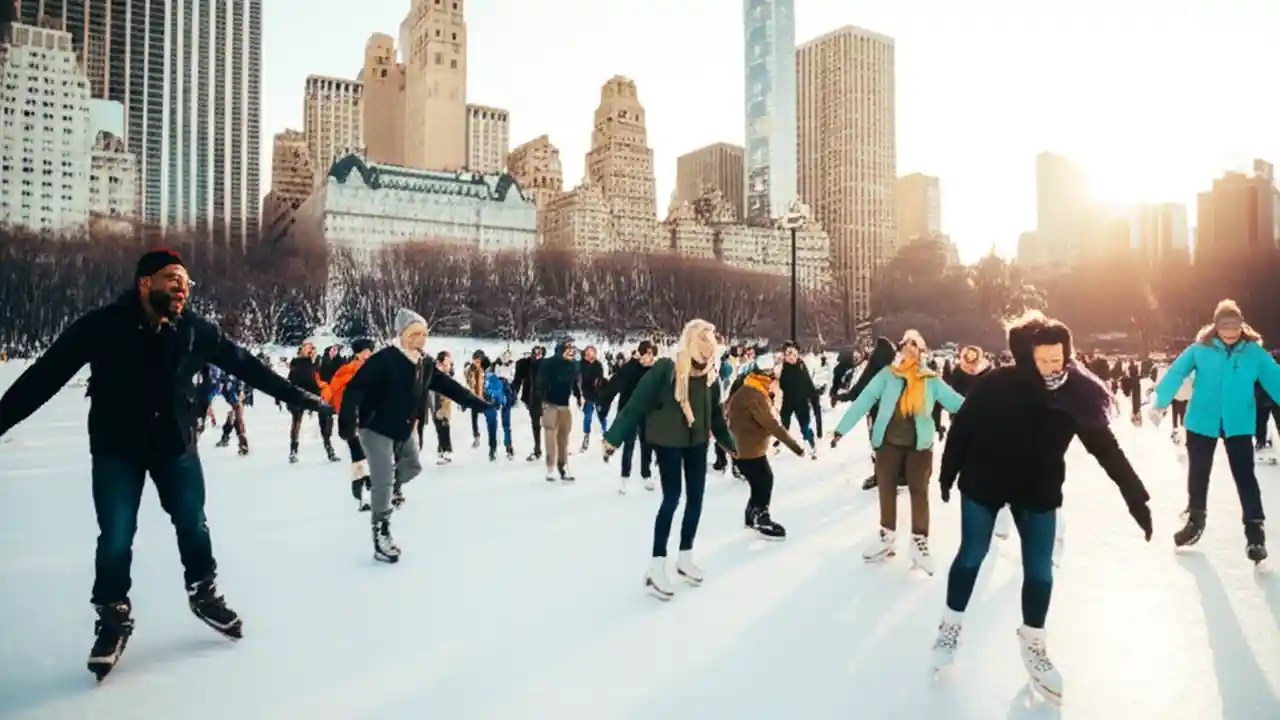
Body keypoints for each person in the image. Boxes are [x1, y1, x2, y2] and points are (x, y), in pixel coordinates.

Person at [0, 249, 332, 680]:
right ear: (145, 283)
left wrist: (301, 398)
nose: (182, 288)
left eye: (186, 282)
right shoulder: (103, 326)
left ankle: (203, 593)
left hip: (175, 448)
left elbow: (247, 366)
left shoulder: (194, 331)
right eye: (173, 278)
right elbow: (43, 377)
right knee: (117, 535)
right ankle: (114, 615)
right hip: (117, 448)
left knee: (193, 522)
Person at [933, 311, 1152, 705]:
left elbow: (1105, 449)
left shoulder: (1075, 393)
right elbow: (962, 427)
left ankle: (1033, 642)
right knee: (971, 554)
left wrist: (1135, 495)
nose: (1053, 367)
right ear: (1029, 356)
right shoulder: (995, 384)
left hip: (1037, 488)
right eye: (1044, 359)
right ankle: (950, 626)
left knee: (1040, 570)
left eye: (1059, 358)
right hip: (985, 482)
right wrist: (947, 475)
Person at [337, 309, 488, 563]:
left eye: (424, 334)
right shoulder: (384, 359)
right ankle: (381, 531)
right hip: (375, 427)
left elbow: (446, 385)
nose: (420, 339)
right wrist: (347, 420)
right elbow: (355, 389)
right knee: (383, 479)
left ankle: (383, 489)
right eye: (414, 334)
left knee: (413, 467)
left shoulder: (425, 362)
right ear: (402, 335)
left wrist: (476, 402)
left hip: (402, 428)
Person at [603, 319, 736, 601]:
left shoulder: (710, 376)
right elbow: (636, 404)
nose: (708, 349)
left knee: (696, 498)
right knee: (672, 498)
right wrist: (614, 438)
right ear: (689, 341)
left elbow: (715, 418)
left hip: (697, 443)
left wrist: (730, 444)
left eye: (711, 343)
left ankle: (685, 557)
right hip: (668, 442)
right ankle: (656, 566)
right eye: (703, 342)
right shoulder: (667, 369)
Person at [1150, 299, 1280, 566]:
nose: (1231, 334)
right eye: (1225, 327)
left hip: (1239, 423)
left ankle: (1255, 532)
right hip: (1201, 421)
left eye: (1235, 327)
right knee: (1198, 472)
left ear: (1242, 325)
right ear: (1216, 326)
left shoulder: (1254, 353)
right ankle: (1195, 521)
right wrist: (1160, 402)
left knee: (1245, 476)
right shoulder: (1200, 350)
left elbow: (1276, 380)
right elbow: (1175, 374)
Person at [831, 330, 963, 573]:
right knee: (886, 488)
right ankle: (886, 536)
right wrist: (840, 430)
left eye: (916, 346)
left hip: (919, 446)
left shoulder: (930, 380)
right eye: (906, 345)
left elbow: (957, 403)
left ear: (922, 353)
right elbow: (864, 401)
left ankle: (919, 542)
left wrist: (988, 409)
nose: (909, 349)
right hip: (888, 443)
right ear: (899, 349)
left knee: (919, 492)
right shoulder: (887, 376)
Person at [726, 355, 804, 539]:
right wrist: (796, 447)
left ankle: (751, 514)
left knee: (759, 482)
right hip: (748, 450)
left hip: (745, 448)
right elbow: (772, 425)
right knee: (765, 480)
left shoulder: (749, 390)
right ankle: (761, 517)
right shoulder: (755, 396)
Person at [598, 340, 658, 493]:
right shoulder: (629, 368)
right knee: (629, 445)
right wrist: (604, 403)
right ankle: (624, 477)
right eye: (648, 354)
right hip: (629, 412)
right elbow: (614, 386)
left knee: (647, 443)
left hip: (647, 412)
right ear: (640, 354)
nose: (650, 358)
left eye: (652, 354)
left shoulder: (654, 370)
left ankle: (646, 474)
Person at [323, 338, 376, 511]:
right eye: (367, 351)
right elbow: (336, 392)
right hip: (352, 418)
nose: (369, 354)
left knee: (365, 455)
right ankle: (363, 488)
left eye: (371, 351)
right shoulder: (347, 370)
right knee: (360, 454)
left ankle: (361, 486)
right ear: (358, 353)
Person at [538, 339, 581, 482]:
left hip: (564, 405)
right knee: (550, 435)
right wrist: (541, 401)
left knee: (563, 438)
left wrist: (578, 396)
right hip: (550, 404)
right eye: (569, 349)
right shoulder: (549, 364)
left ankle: (563, 466)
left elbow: (574, 383)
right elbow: (541, 382)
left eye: (572, 350)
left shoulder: (572, 366)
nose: (572, 352)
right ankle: (550, 467)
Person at [288, 341, 337, 463]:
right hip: (299, 394)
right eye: (307, 347)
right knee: (296, 421)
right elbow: (294, 378)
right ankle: (293, 451)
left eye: (312, 347)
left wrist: (316, 362)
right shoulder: (296, 363)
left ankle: (329, 448)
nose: (310, 349)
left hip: (315, 393)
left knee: (326, 417)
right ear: (301, 350)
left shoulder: (317, 362)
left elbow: (324, 374)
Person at [511, 346, 546, 461]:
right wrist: (513, 393)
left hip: (546, 398)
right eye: (535, 353)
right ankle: (537, 449)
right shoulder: (525, 364)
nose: (537, 356)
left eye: (539, 353)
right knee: (536, 425)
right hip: (532, 398)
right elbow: (517, 380)